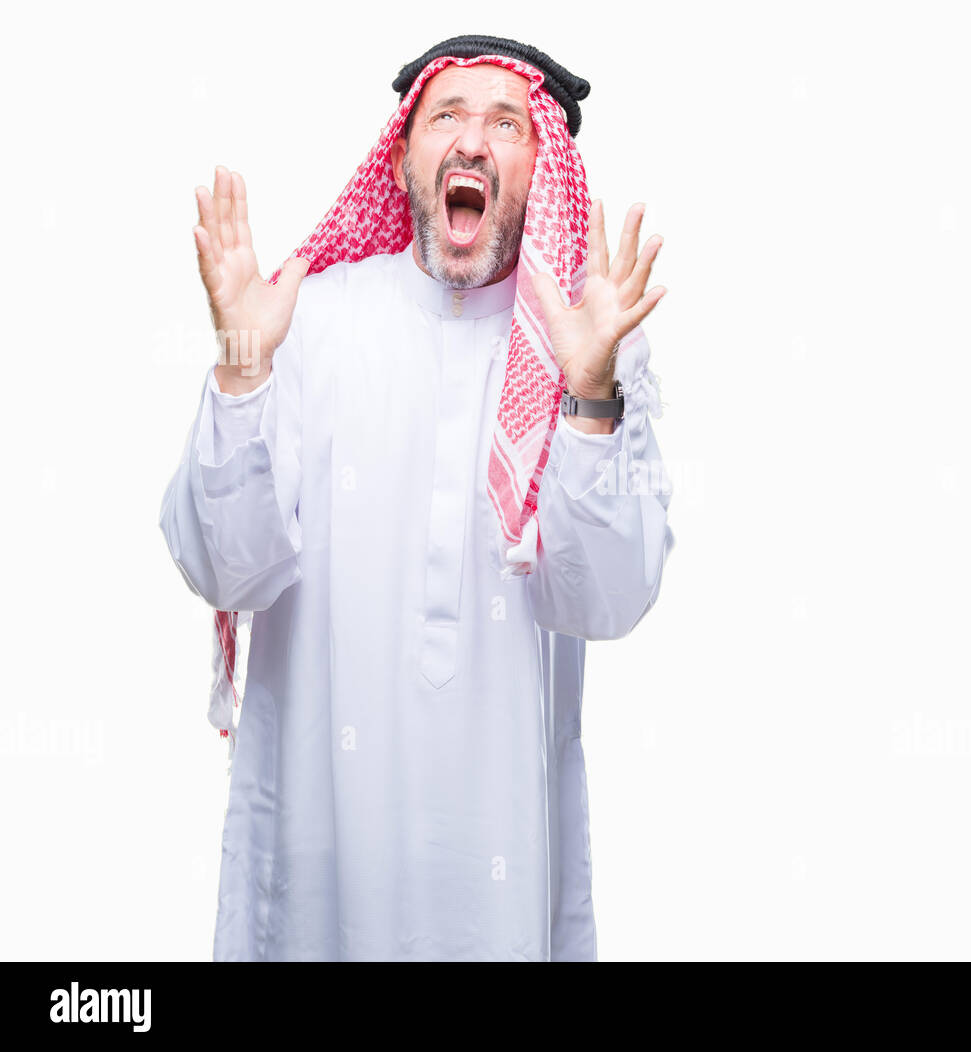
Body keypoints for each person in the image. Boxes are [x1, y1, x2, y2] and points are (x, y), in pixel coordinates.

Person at [157, 35, 673, 962]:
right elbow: (226, 563)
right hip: (317, 877)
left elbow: (607, 598)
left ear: (541, 166)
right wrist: (242, 368)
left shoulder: (579, 351)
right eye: (447, 117)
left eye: (505, 124)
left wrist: (593, 390)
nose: (472, 142)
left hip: (499, 878)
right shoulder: (305, 320)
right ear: (403, 157)